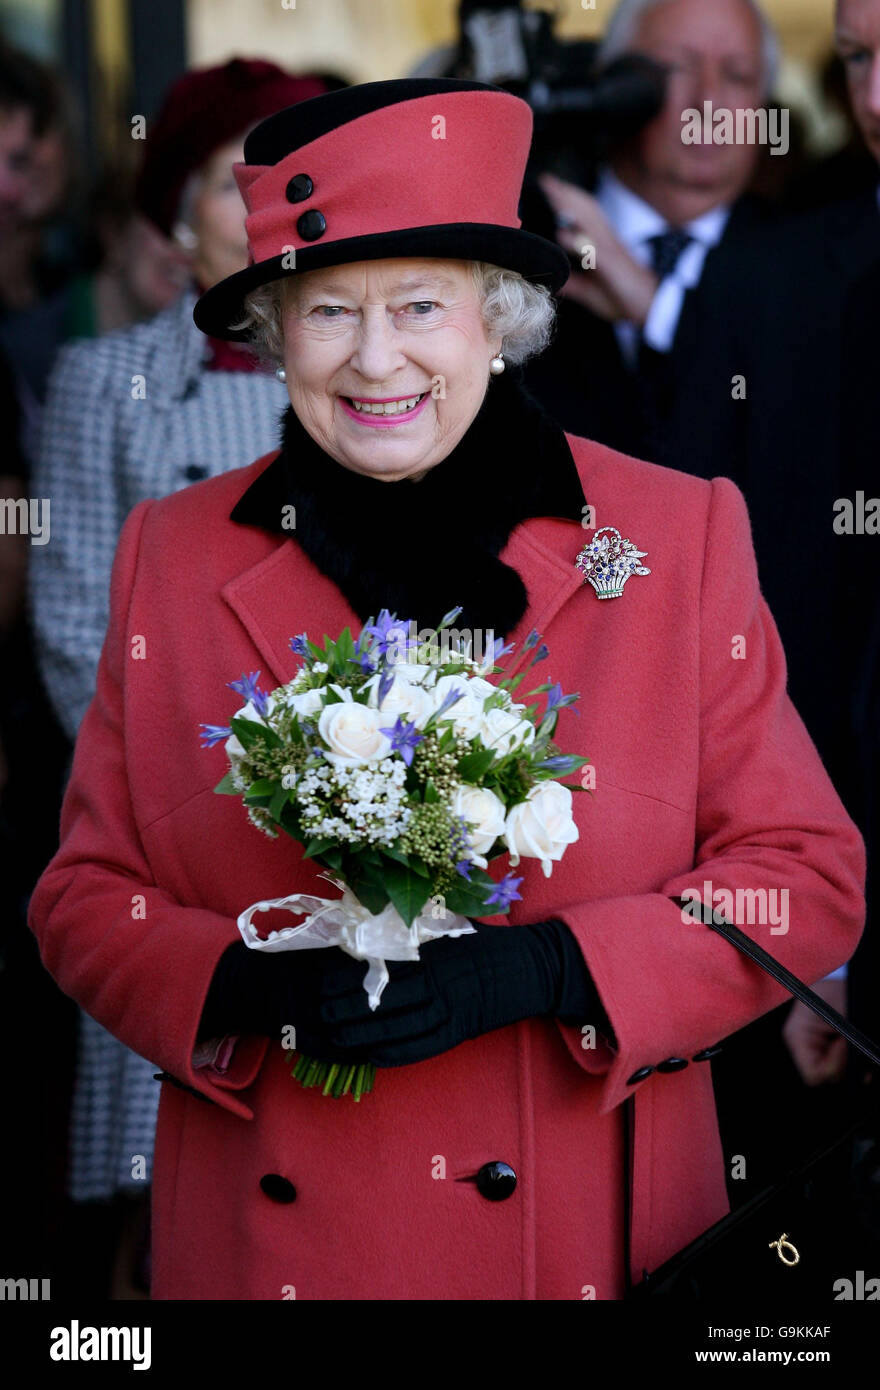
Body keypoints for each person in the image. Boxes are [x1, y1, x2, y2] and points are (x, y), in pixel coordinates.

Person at [28, 78, 865, 1301]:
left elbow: (805, 881)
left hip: (588, 1250)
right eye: (326, 313)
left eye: (420, 304)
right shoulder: (178, 550)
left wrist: (556, 971)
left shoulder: (674, 534)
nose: (377, 361)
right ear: (271, 333)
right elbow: (84, 896)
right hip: (276, 1251)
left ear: (499, 318)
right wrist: (244, 987)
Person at [27, 57, 325, 1293]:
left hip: (371, 818)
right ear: (171, 215)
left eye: (288, 177)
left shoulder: (378, 371)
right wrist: (208, 796)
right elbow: (71, 622)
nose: (263, 205)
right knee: (169, 1176)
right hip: (172, 832)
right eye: (227, 180)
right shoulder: (105, 380)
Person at [522, 0, 778, 472]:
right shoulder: (523, 243)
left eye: (738, 75)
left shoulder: (819, 262)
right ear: (612, 82)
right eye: (676, 68)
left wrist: (655, 308)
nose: (709, 104)